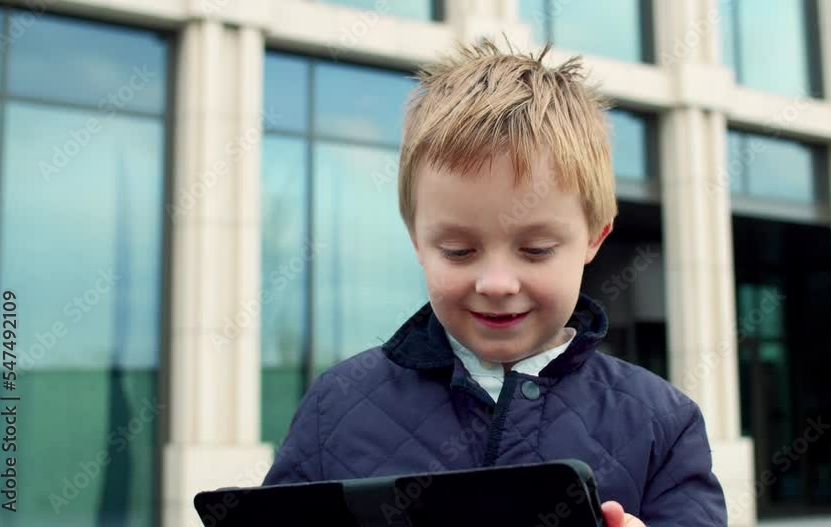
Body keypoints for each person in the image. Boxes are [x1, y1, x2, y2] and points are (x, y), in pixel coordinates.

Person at [262, 37, 726, 526]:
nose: (498, 283)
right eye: (459, 251)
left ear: (594, 238)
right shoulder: (334, 407)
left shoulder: (663, 424)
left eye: (535, 250)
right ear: (417, 242)